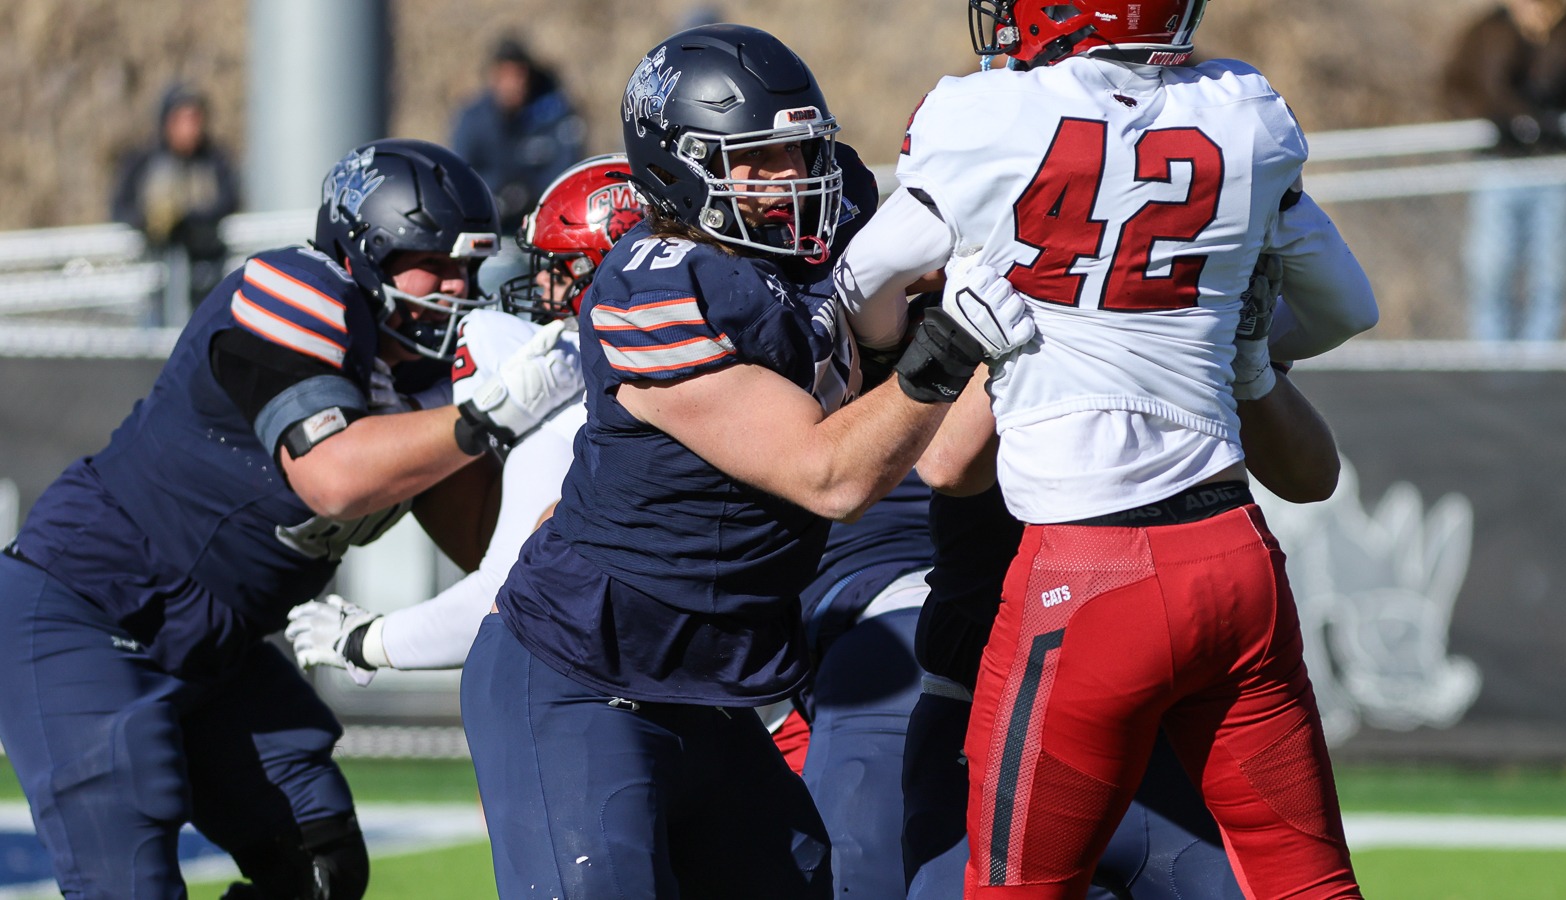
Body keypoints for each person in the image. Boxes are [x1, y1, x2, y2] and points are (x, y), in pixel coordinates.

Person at [457, 23, 1032, 899]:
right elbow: (827, 476)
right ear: (675, 166)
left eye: (801, 151)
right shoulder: (657, 280)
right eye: (758, 161)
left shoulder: (810, 250)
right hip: (580, 681)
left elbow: (934, 440)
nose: (790, 179)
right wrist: (945, 347)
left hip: (711, 693)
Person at [833, 1, 1380, 897]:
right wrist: (1208, 334)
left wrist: (966, 332)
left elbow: (864, 290)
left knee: (1014, 887)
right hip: (1234, 558)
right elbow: (1346, 311)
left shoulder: (995, 117)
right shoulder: (1238, 106)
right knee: (1304, 883)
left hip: (1087, 574)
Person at [0, 138, 579, 899]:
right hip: (87, 605)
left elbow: (485, 545)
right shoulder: (292, 286)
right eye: (435, 265)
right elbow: (333, 478)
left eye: (469, 268)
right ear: (365, 253)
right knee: (126, 879)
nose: (458, 288)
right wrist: (488, 418)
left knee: (318, 864)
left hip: (220, 642)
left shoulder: (435, 378)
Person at [285, 153, 637, 681]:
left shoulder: (571, 401)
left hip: (615, 682)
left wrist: (364, 640)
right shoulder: (711, 374)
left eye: (560, 272)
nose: (539, 291)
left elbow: (510, 590)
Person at [1442, 0, 1566, 342]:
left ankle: (1541, 365)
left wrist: (1564, 121)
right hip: (1500, 161)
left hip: (1557, 164)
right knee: (1490, 266)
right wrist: (1497, 118)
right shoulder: (1488, 28)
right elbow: (1457, 85)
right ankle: (1493, 362)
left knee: (1551, 271)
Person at [110, 83, 241, 315]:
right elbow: (120, 207)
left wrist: (188, 220)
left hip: (205, 275)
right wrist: (151, 222)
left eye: (195, 119)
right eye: (183, 119)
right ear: (167, 122)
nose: (190, 128)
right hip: (152, 278)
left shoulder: (215, 160)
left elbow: (229, 203)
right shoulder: (144, 161)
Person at [451, 36, 588, 234]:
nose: (512, 84)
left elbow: (567, 172)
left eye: (518, 75)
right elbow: (461, 174)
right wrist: (495, 198)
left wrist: (529, 195)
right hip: (488, 226)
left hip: (543, 224)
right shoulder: (472, 118)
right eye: (504, 76)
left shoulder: (554, 113)